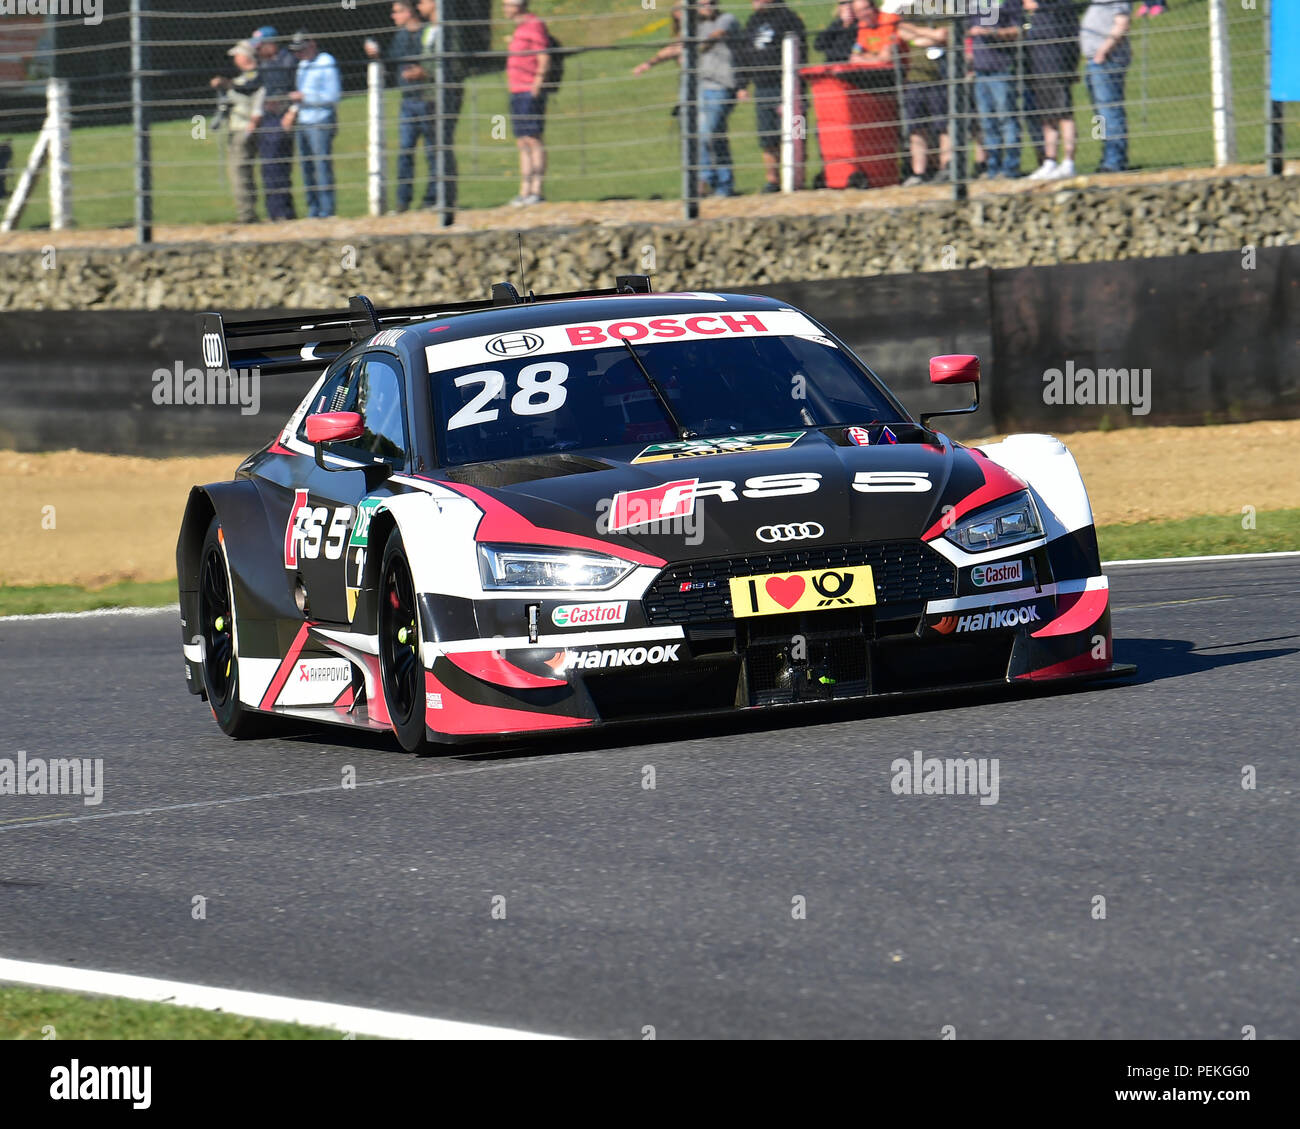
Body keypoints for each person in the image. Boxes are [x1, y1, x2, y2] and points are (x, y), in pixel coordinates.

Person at [634, 0, 741, 198]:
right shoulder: (695, 27)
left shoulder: (727, 19)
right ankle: (708, 182)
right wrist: (649, 63)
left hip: (721, 85)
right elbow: (675, 48)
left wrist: (693, 48)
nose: (707, 6)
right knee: (701, 136)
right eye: (702, 3)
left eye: (710, 3)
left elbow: (714, 37)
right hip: (700, 87)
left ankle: (722, 185)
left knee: (710, 133)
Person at [365, 2, 434, 212]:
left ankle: (432, 199)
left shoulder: (426, 33)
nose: (393, 16)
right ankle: (403, 202)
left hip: (426, 99)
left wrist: (422, 72)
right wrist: (377, 55)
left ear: (409, 12)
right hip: (408, 101)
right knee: (405, 151)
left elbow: (430, 61)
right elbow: (393, 59)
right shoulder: (400, 36)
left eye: (397, 12)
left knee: (433, 151)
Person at [737, 0, 807, 193]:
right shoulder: (753, 21)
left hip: (788, 85)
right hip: (763, 86)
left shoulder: (789, 19)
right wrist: (742, 83)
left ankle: (798, 178)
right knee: (767, 137)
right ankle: (773, 180)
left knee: (796, 131)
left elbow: (801, 52)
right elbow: (744, 53)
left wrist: (796, 86)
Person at [283, 31, 342, 218]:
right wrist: (294, 110)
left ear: (312, 45)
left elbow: (333, 96)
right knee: (306, 166)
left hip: (320, 119)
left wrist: (306, 97)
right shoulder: (302, 65)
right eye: (296, 51)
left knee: (321, 164)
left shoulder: (326, 62)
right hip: (304, 119)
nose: (299, 54)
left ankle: (327, 209)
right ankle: (313, 209)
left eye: (301, 50)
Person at [1023, 0, 1080, 180]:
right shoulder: (1037, 17)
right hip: (1039, 67)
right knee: (1047, 118)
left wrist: (1071, 67)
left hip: (1057, 64)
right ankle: (1050, 161)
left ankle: (1068, 162)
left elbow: (1072, 40)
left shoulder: (1057, 9)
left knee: (1063, 115)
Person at [897, 3, 951, 186]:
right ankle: (919, 172)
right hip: (916, 77)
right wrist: (931, 36)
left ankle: (947, 169)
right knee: (916, 128)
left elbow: (947, 34)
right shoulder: (913, 8)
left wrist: (918, 36)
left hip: (940, 77)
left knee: (944, 125)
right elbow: (902, 30)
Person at [210, 40, 263, 224]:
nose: (234, 59)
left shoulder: (255, 76)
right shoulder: (242, 77)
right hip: (235, 128)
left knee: (240, 171)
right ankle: (246, 211)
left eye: (237, 55)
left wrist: (227, 84)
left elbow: (249, 89)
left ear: (245, 56)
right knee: (238, 172)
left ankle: (246, 215)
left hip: (245, 129)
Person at [968, 0, 1022, 179]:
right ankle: (993, 168)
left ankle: (1010, 167)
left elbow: (1018, 30)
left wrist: (992, 32)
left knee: (1006, 120)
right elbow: (966, 33)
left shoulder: (1008, 2)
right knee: (987, 124)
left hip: (1001, 69)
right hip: (980, 71)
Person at [504, 0, 550, 206]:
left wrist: (537, 83)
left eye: (508, 4)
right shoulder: (519, 29)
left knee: (533, 138)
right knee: (522, 140)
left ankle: (536, 189)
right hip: (516, 89)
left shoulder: (534, 25)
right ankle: (524, 189)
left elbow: (543, 55)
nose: (505, 9)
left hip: (528, 88)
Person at [249, 27, 297, 220]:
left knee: (278, 167)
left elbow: (296, 88)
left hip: (282, 116)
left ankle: (284, 213)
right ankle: (274, 213)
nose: (257, 50)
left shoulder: (289, 61)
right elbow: (257, 89)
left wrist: (292, 112)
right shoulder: (264, 64)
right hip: (268, 119)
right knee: (267, 168)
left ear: (271, 43)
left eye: (260, 46)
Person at [1082, 0, 1132, 173]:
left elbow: (1122, 23)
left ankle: (1114, 161)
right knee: (1099, 115)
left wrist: (1103, 51)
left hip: (1105, 60)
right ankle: (1106, 155)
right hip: (1093, 61)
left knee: (1109, 111)